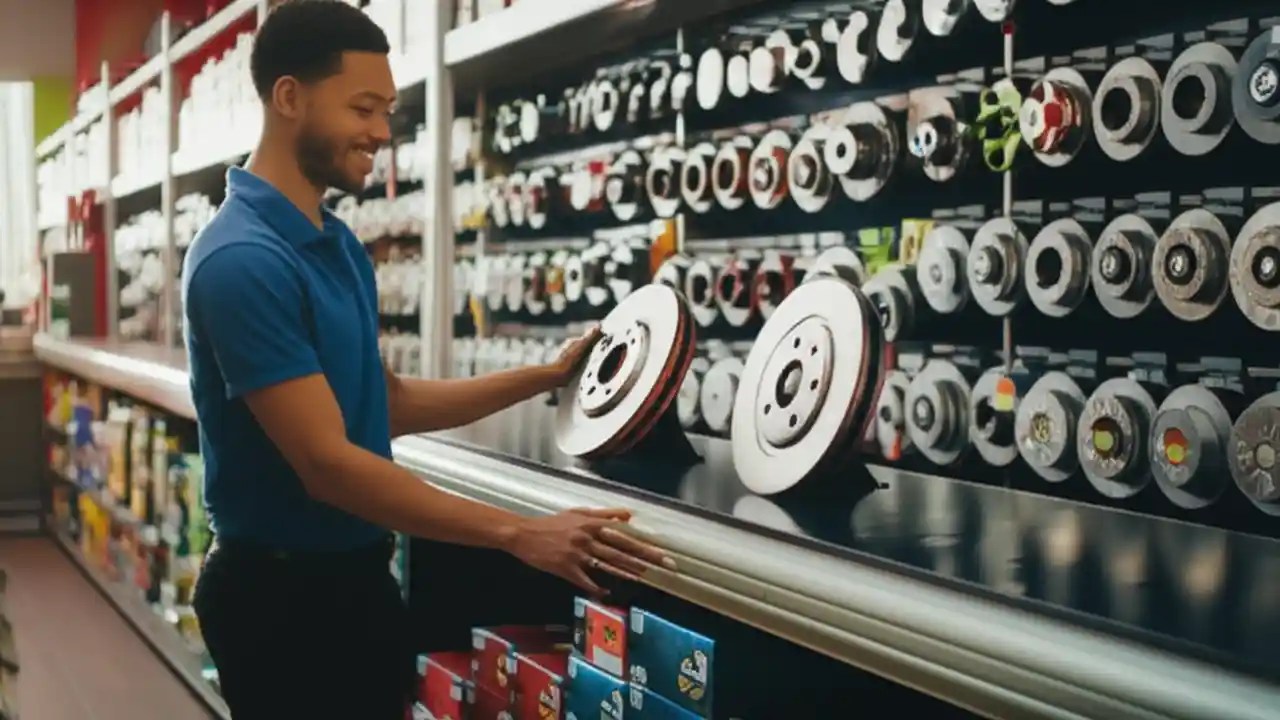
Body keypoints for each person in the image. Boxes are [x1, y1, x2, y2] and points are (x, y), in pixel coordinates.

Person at [181, 2, 673, 717]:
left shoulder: (336, 242)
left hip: (355, 582)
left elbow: (390, 401)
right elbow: (328, 464)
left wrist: (544, 376)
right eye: (363, 107)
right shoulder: (241, 260)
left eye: (387, 109)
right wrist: (518, 533)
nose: (382, 131)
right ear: (289, 97)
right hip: (280, 603)